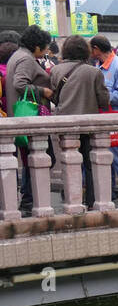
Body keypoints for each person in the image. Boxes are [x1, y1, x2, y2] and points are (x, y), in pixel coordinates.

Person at [48, 35, 110, 206]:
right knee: (90, 164)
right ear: (85, 51)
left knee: (69, 161)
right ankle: (91, 200)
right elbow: (104, 101)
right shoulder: (94, 72)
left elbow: (54, 97)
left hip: (65, 124)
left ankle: (71, 198)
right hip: (88, 124)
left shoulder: (55, 71)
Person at [4, 26, 55, 209]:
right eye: (45, 46)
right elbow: (20, 83)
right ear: (36, 46)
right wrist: (44, 91)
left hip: (18, 114)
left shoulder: (18, 55)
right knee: (38, 158)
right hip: (28, 115)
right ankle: (29, 197)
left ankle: (28, 197)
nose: (47, 50)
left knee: (29, 158)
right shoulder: (26, 58)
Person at [90, 34, 118, 195]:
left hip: (117, 119)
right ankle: (113, 194)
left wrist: (102, 97)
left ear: (96, 49)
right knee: (107, 160)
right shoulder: (97, 66)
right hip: (104, 119)